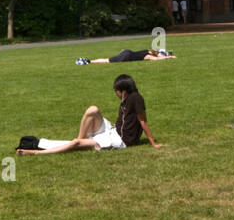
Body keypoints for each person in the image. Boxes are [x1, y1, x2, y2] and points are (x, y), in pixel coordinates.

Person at [17, 73, 163, 154]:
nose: (116, 94)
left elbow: (143, 121)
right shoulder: (128, 97)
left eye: (116, 92)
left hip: (120, 141)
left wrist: (153, 143)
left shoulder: (136, 98)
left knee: (75, 143)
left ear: (123, 90)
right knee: (92, 109)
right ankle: (79, 140)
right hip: (112, 131)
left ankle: (37, 151)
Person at [76, 48, 175, 64]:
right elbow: (157, 59)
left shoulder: (147, 51)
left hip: (126, 52)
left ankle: (89, 61)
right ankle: (89, 62)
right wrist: (169, 57)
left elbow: (156, 54)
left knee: (107, 59)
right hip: (126, 57)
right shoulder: (147, 56)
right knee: (107, 60)